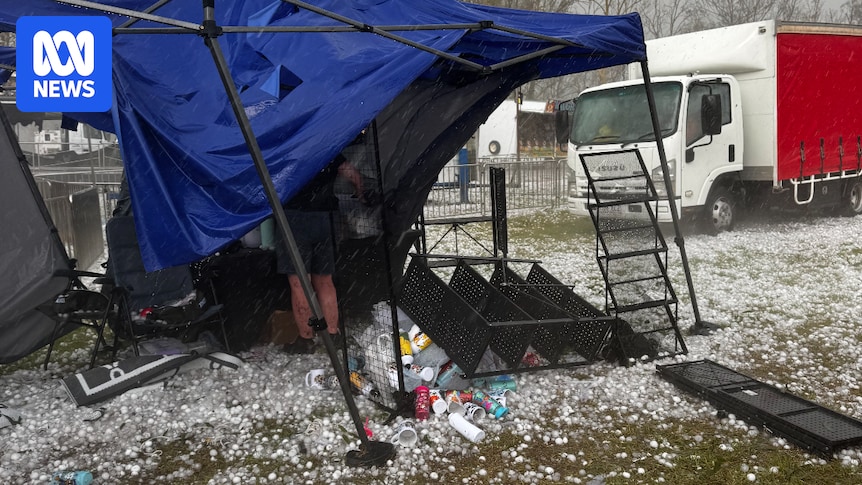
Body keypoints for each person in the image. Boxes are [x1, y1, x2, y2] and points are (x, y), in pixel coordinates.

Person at [276, 152, 365, 354]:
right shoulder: (327, 144)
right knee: (324, 279)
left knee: (300, 282)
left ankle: (306, 339)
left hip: (294, 218)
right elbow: (352, 173)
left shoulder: (289, 147)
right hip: (326, 217)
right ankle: (332, 334)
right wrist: (360, 193)